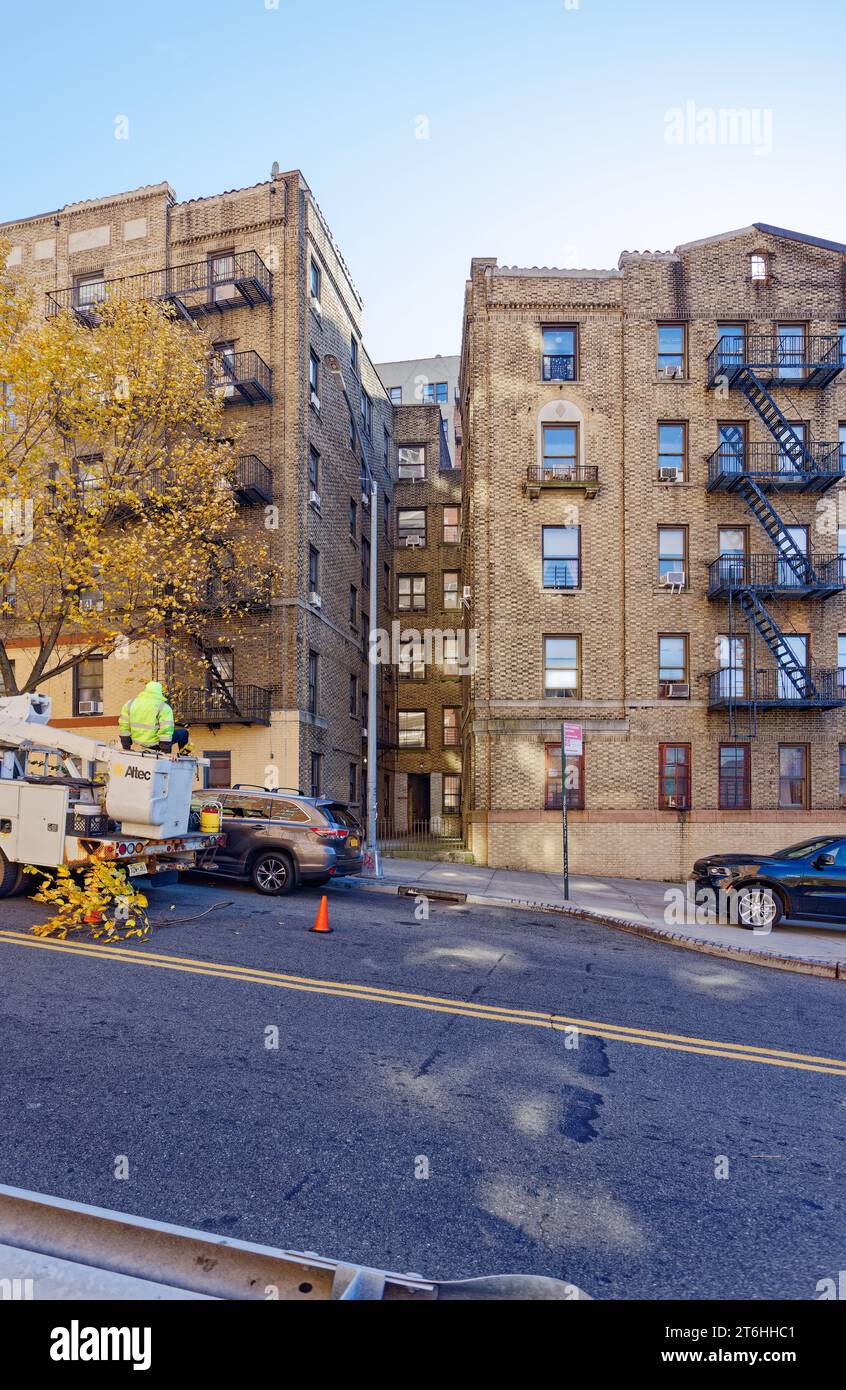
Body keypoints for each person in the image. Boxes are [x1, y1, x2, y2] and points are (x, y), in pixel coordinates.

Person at [119, 681, 177, 753]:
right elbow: (166, 730)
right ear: (160, 692)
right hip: (155, 744)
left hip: (137, 741)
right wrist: (166, 752)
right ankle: (184, 754)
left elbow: (124, 726)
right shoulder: (163, 707)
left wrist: (126, 747)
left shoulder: (129, 704)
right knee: (184, 734)